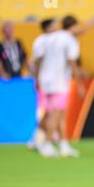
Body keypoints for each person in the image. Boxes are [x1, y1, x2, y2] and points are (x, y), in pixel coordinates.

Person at [35, 15, 85, 158]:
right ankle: (47, 143)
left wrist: (37, 78)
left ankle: (63, 144)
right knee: (55, 114)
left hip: (46, 80)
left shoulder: (46, 39)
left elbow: (39, 60)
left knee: (59, 114)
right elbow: (72, 62)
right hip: (59, 82)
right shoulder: (67, 39)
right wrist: (79, 83)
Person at [30, 18, 60, 150]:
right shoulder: (41, 42)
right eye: (54, 26)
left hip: (55, 81)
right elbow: (38, 61)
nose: (56, 28)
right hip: (45, 82)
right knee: (50, 112)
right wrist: (37, 79)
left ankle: (37, 139)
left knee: (51, 112)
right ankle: (46, 141)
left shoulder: (57, 41)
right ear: (48, 28)